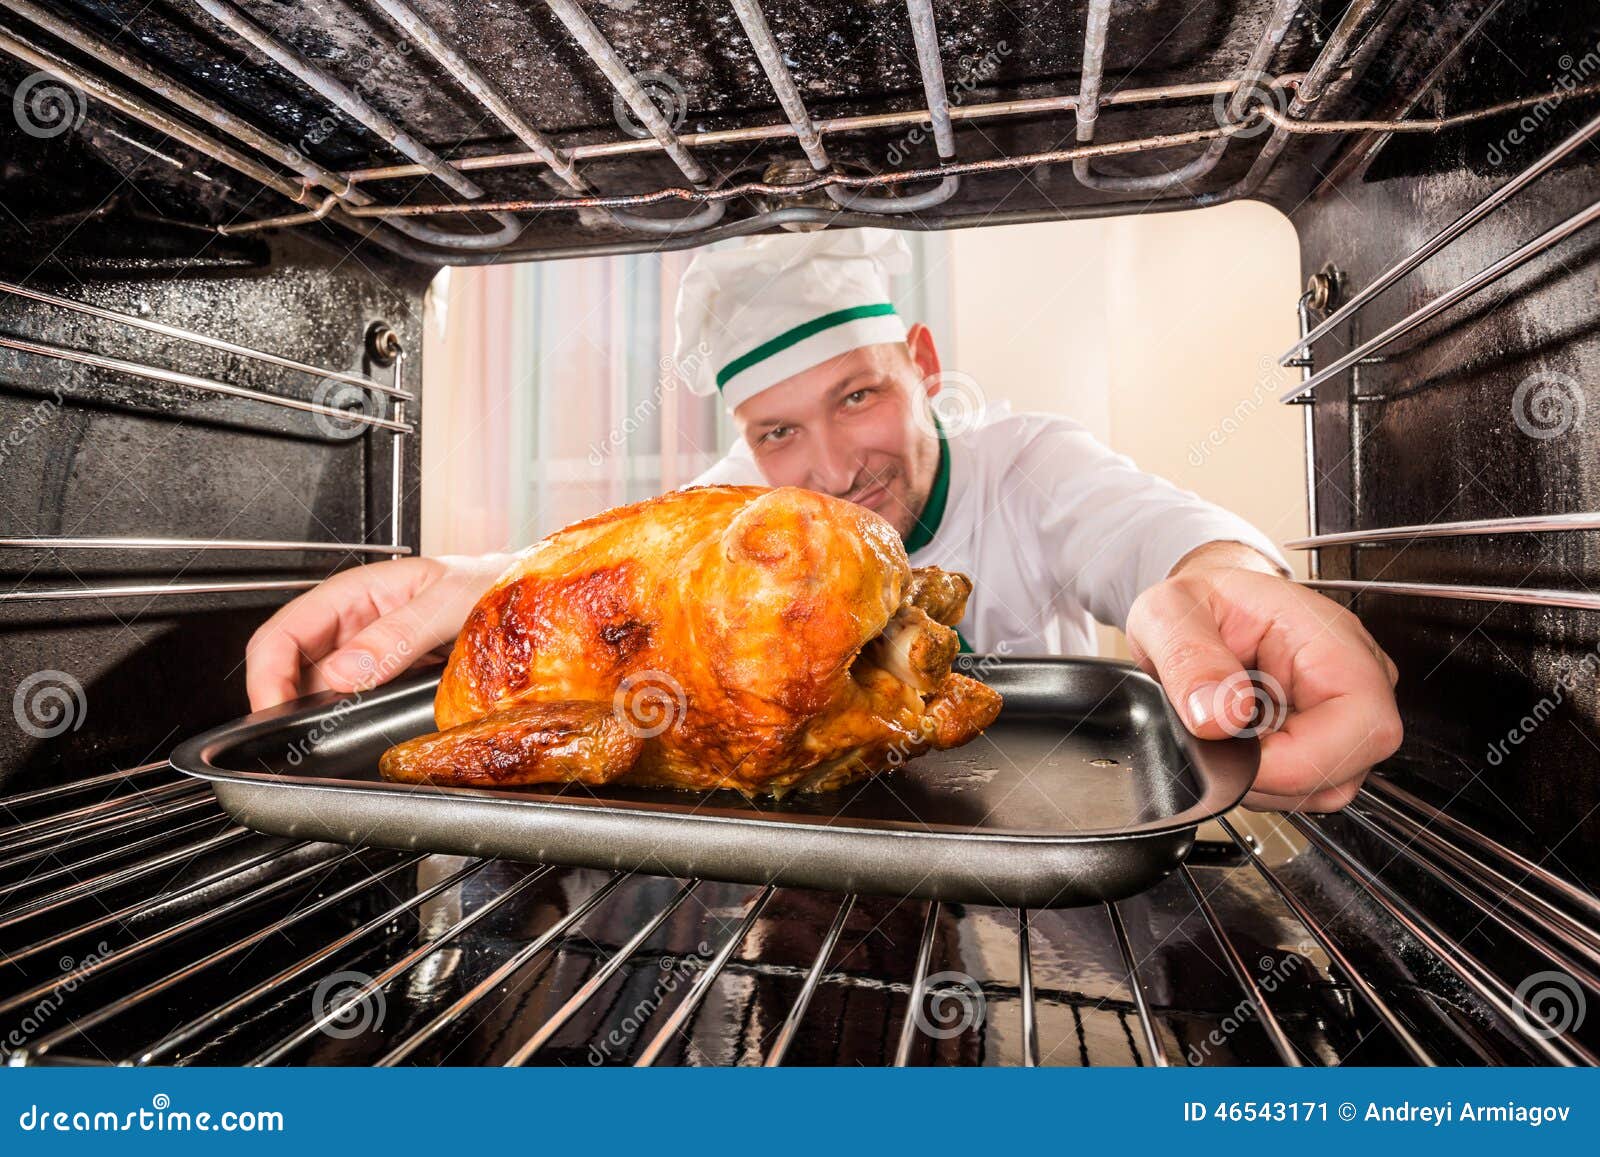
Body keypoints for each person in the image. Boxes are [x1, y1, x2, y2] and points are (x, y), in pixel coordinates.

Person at [246, 228, 1399, 812]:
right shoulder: (746, 505)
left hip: (1014, 837)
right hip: (801, 856)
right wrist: (472, 575)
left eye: (858, 394)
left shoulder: (1026, 462)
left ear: (921, 363)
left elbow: (1151, 534)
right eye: (779, 430)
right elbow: (626, 563)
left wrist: (1223, 576)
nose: (833, 467)